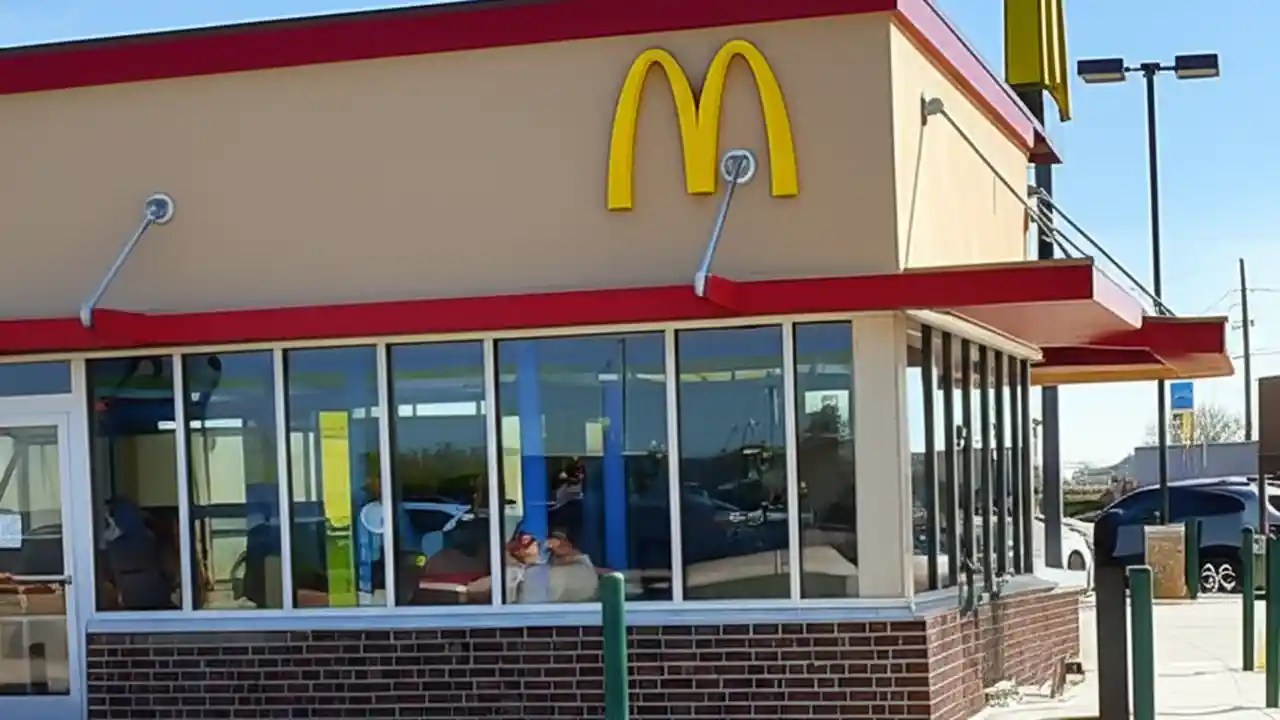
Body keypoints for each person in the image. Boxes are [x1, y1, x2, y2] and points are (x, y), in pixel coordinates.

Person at [546, 528, 598, 602]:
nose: (561, 544)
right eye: (557, 541)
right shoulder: (549, 558)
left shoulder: (579, 557)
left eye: (564, 541)